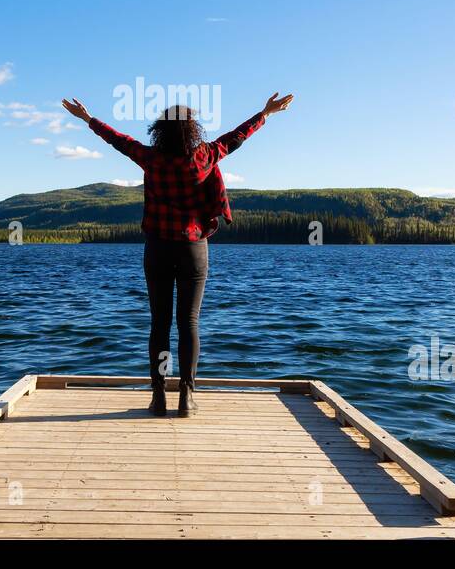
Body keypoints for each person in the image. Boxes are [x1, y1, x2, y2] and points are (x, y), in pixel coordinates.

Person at [61, 92, 294, 416]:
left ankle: (159, 397)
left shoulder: (151, 158)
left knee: (159, 324)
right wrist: (265, 113)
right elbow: (238, 137)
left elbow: (118, 140)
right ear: (192, 130)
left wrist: (88, 120)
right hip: (193, 247)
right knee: (189, 323)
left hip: (157, 246)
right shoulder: (206, 156)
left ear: (160, 130)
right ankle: (186, 397)